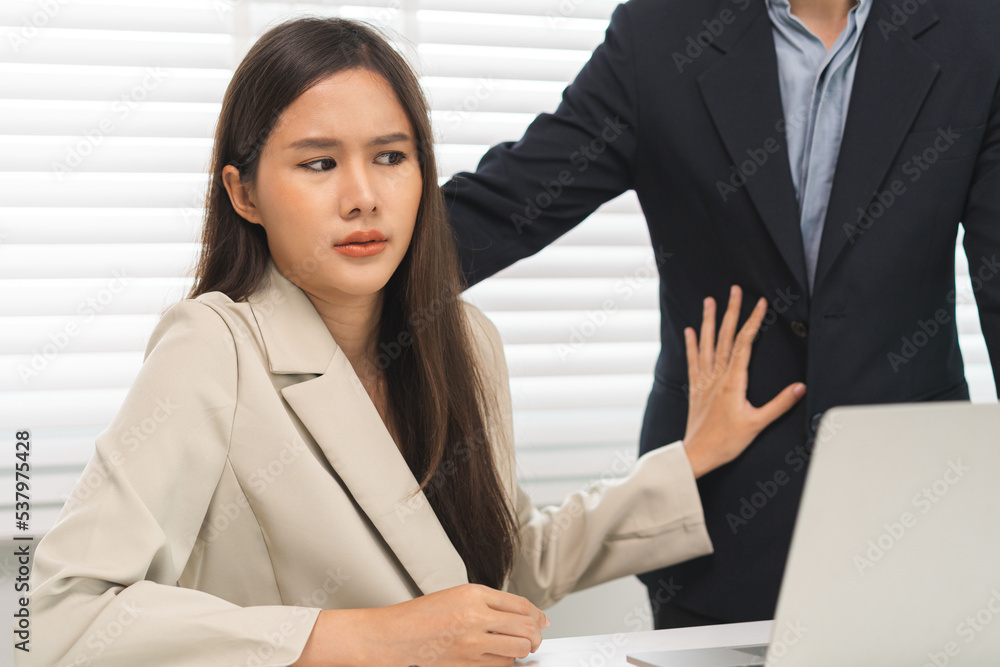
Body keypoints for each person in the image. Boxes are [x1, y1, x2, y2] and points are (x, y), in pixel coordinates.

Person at [20, 17, 806, 667]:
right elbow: (61, 617)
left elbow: (513, 565)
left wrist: (691, 459)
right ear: (244, 193)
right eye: (319, 163)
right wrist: (366, 636)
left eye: (391, 158)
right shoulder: (214, 347)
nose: (363, 196)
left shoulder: (464, 340)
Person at [443, 0, 1000, 629]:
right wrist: (333, 266)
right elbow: (507, 204)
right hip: (718, 500)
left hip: (913, 493)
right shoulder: (659, 32)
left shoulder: (976, 29)